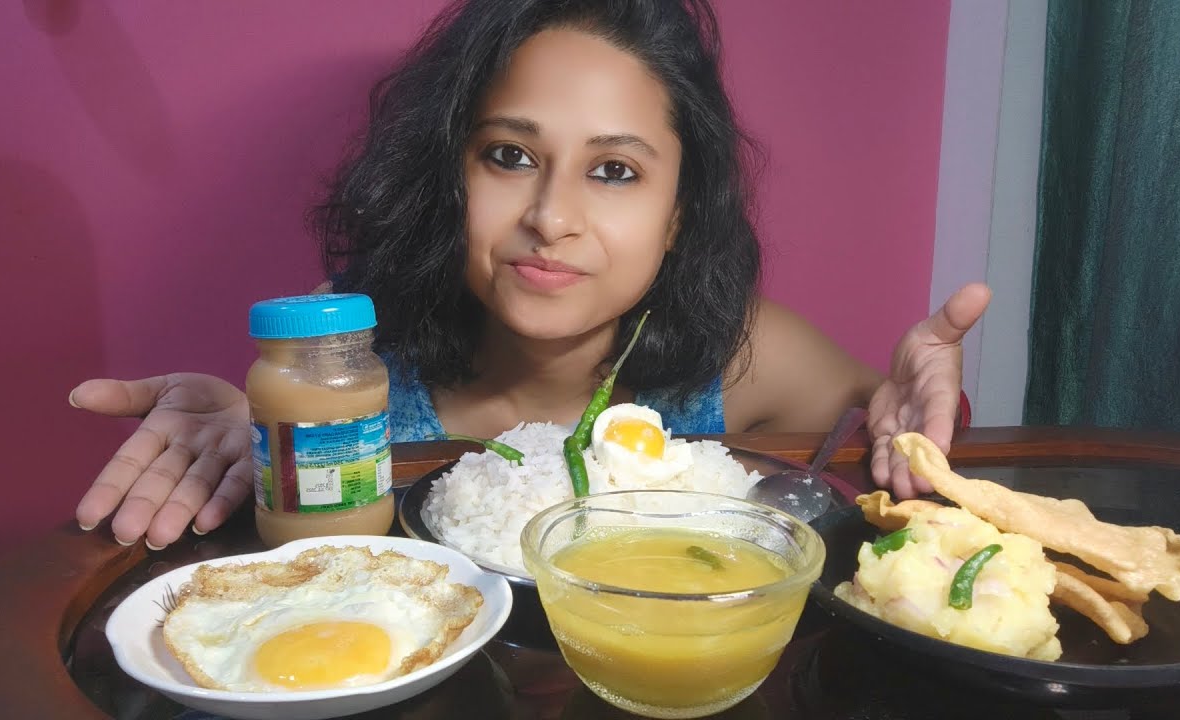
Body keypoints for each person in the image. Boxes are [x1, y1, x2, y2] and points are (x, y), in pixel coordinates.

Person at [71, 0, 991, 550]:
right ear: (449, 169)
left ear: (677, 217)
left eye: (615, 171)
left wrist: (919, 414)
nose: (551, 217)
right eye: (509, 156)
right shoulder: (349, 355)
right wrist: (251, 436)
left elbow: (898, 440)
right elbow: (296, 450)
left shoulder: (746, 352)